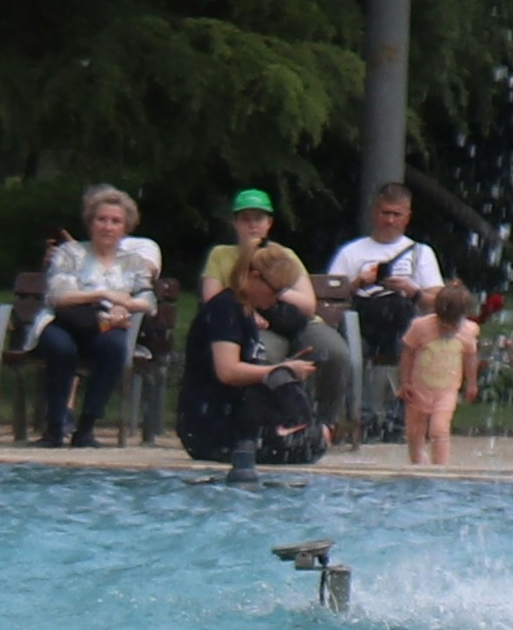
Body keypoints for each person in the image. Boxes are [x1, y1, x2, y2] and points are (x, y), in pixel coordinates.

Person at [25, 184, 156, 445]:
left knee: (115, 346)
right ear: (90, 222)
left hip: (106, 325)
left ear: (125, 227)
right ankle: (54, 427)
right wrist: (103, 296)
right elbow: (58, 296)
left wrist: (125, 307)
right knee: (60, 348)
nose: (108, 227)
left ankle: (86, 427)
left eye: (115, 221)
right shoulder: (70, 254)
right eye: (102, 219)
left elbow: (148, 300)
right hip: (66, 321)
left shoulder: (134, 262)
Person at [179, 242, 318, 463]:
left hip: (231, 414)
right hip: (210, 428)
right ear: (253, 277)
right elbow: (228, 371)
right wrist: (280, 369)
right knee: (305, 447)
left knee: (309, 442)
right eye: (275, 290)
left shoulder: (244, 310)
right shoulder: (225, 310)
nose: (278, 298)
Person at [321, 179, 439, 431]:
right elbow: (331, 297)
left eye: (397, 214)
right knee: (364, 335)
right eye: (385, 213)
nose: (390, 220)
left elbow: (436, 300)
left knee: (408, 322)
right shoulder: (352, 252)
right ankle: (368, 416)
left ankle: (393, 417)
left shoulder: (421, 253)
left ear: (407, 216)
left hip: (404, 318)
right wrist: (359, 283)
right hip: (364, 317)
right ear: (375, 212)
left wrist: (411, 290)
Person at [395, 278, 478, 467]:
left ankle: (441, 468)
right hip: (418, 389)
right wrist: (405, 382)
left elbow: (470, 357)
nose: (448, 328)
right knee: (414, 430)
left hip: (446, 391)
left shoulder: (468, 332)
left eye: (453, 324)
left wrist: (472, 383)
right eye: (443, 323)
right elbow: (408, 353)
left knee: (439, 429)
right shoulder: (421, 327)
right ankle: (418, 463)